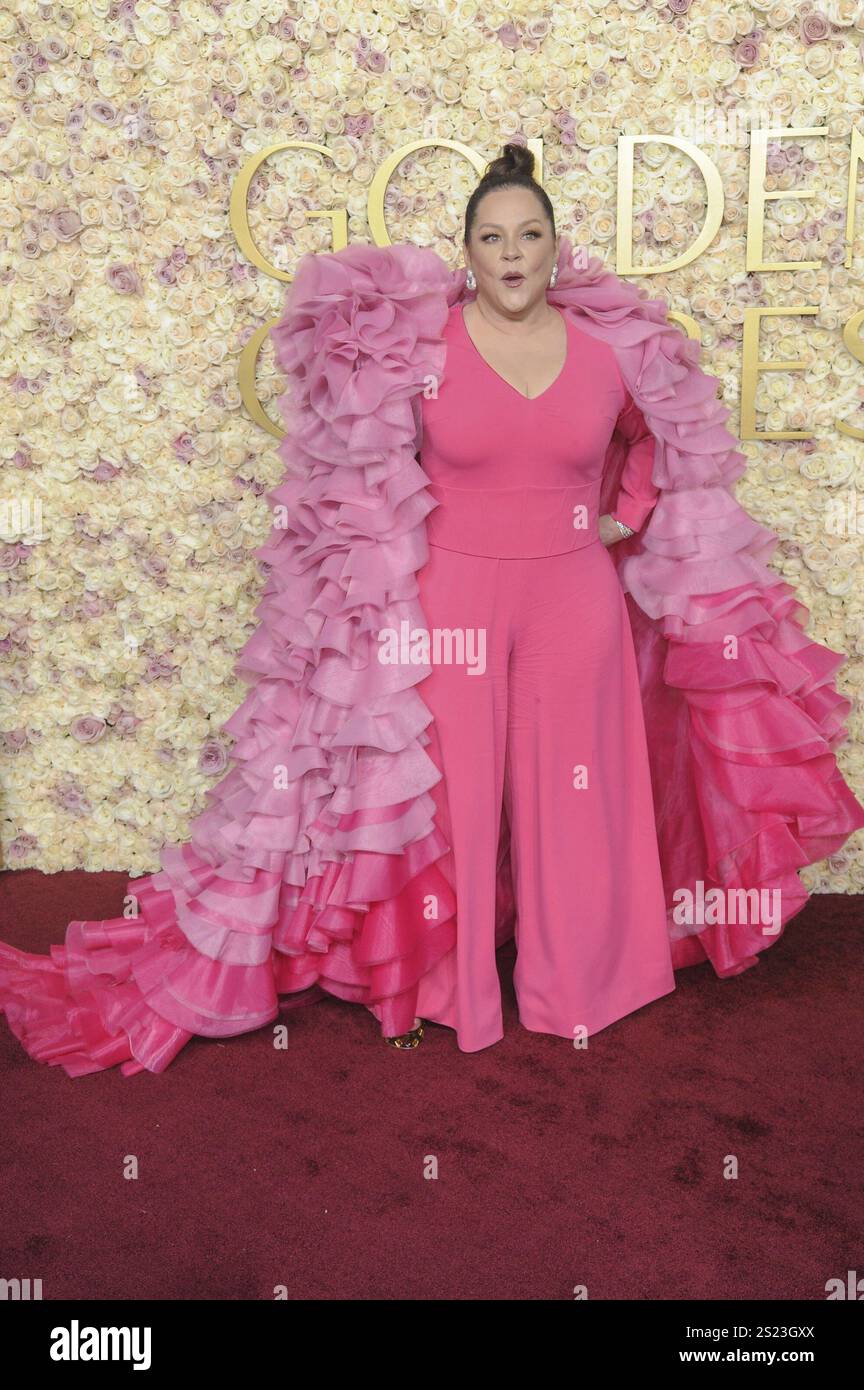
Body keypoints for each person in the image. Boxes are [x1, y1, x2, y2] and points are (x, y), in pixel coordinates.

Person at [1, 144, 862, 1076]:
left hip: (575, 598)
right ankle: (441, 989)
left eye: (530, 233)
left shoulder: (616, 352)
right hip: (448, 598)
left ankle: (588, 982)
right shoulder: (417, 350)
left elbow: (667, 438)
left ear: (554, 246)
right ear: (468, 251)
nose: (512, 252)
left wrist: (625, 517)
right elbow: (362, 476)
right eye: (492, 236)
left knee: (580, 796)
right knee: (446, 805)